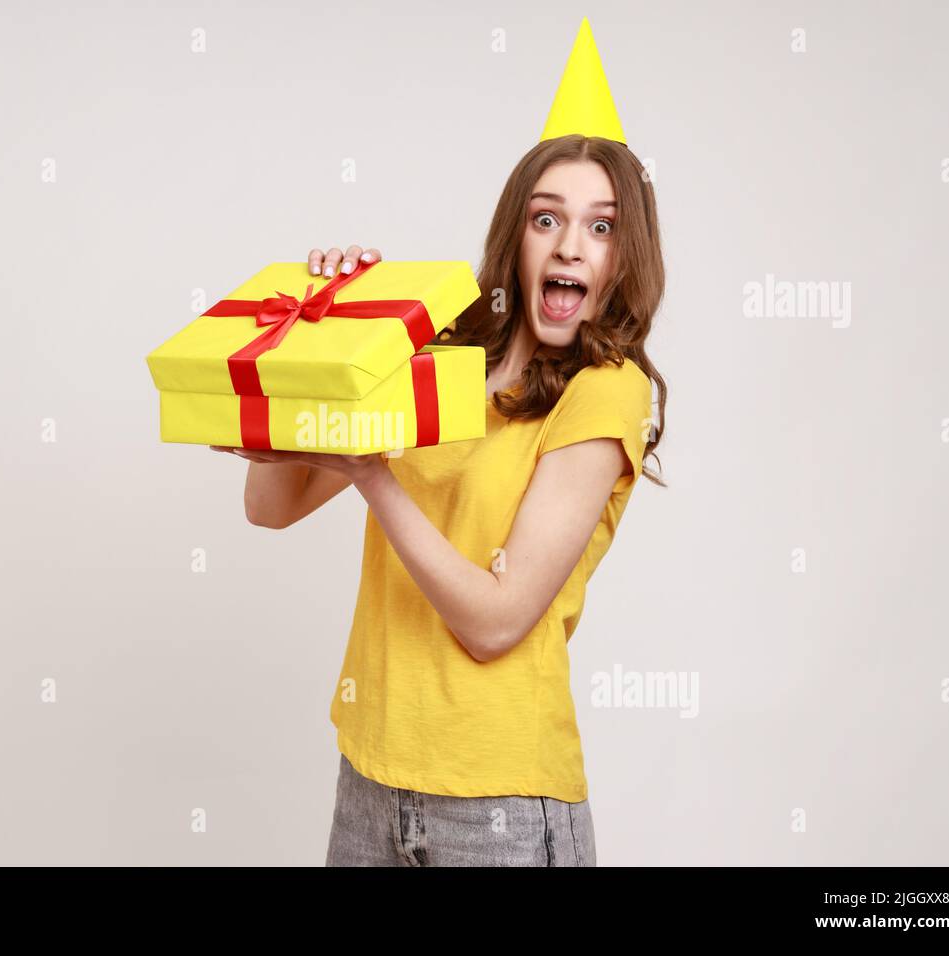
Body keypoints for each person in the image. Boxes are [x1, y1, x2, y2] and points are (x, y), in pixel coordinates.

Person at [212, 21, 668, 867]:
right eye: (548, 219)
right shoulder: (437, 358)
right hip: (372, 778)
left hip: (498, 806)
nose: (571, 245)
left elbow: (496, 624)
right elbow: (267, 506)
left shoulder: (608, 394)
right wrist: (332, 335)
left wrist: (375, 477)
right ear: (517, 236)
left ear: (622, 258)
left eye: (601, 228)